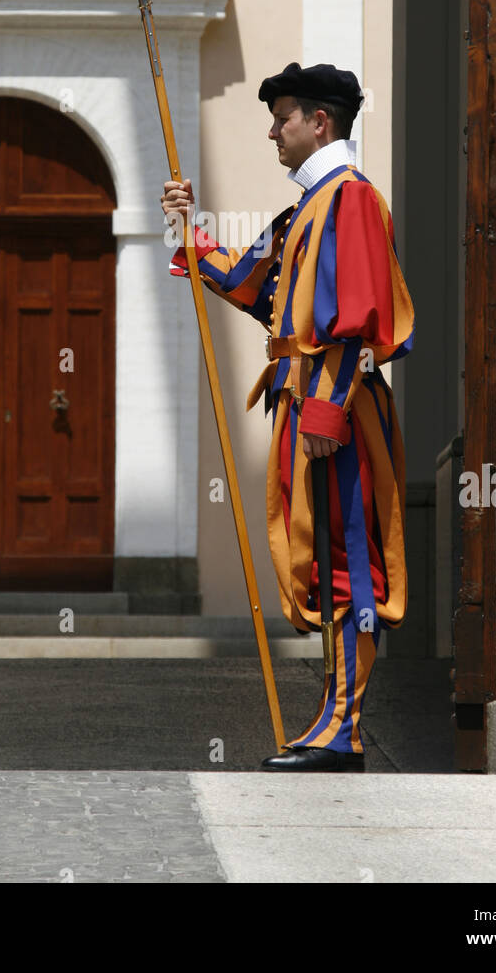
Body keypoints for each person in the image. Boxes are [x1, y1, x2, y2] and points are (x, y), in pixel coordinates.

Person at [161, 61, 415, 771]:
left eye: (283, 119)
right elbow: (249, 281)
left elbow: (358, 319)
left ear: (320, 123)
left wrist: (328, 415)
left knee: (347, 563)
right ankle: (331, 721)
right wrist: (189, 229)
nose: (273, 132)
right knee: (315, 557)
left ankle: (344, 729)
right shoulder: (308, 206)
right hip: (302, 401)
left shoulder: (351, 200)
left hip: (333, 407)